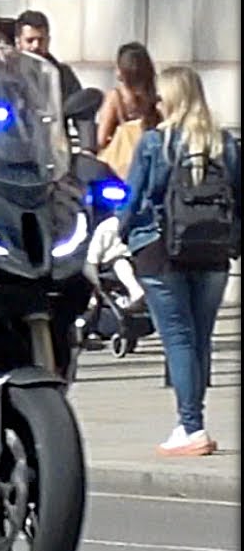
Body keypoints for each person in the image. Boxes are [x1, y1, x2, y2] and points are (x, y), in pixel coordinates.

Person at [118, 66, 241, 457]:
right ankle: (190, 421)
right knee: (199, 338)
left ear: (171, 97)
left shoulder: (156, 142)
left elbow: (132, 199)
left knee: (178, 339)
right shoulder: (225, 143)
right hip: (214, 253)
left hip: (161, 250)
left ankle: (192, 427)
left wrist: (119, 235)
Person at [96, 42, 162, 178]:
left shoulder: (116, 97)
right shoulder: (156, 98)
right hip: (151, 167)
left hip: (121, 171)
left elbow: (101, 140)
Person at [14, 10, 81, 107]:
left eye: (41, 40)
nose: (36, 45)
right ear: (18, 42)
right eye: (30, 40)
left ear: (48, 41)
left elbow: (80, 105)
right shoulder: (5, 72)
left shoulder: (63, 74)